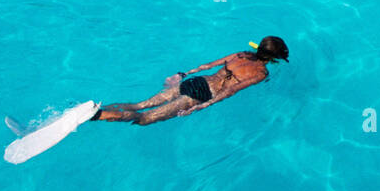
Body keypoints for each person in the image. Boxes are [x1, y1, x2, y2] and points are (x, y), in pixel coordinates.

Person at [91, 36, 289, 126]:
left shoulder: (241, 54)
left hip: (196, 81)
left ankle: (97, 109)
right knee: (144, 118)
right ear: (274, 58)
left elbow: (207, 66)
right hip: (201, 95)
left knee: (140, 104)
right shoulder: (260, 74)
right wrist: (199, 108)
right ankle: (100, 115)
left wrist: (182, 74)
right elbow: (230, 91)